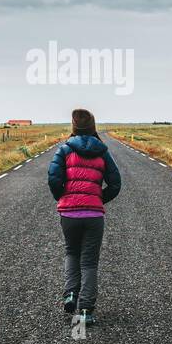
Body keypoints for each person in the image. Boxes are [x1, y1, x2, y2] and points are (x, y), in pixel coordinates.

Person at [47, 108, 121, 326]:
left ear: (74, 127)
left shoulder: (64, 150)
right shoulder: (103, 152)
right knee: (89, 262)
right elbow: (115, 184)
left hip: (69, 213)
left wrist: (64, 197)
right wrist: (97, 199)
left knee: (72, 252)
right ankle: (86, 310)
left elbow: (53, 179)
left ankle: (70, 294)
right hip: (93, 214)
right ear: (92, 126)